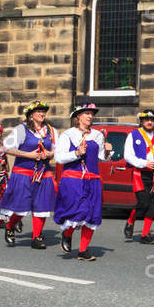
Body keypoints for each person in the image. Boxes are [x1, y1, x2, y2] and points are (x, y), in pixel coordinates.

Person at [1, 101, 57, 249]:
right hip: (24, 173)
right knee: (21, 207)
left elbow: (55, 150)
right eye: (38, 111)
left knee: (42, 206)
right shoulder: (22, 129)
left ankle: (36, 237)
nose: (42, 114)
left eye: (43, 111)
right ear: (31, 115)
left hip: (43, 173)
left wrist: (49, 154)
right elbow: (6, 148)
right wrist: (29, 155)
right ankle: (10, 225)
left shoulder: (50, 130)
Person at [54, 102, 105, 261]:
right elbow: (59, 158)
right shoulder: (67, 135)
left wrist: (108, 152)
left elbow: (100, 157)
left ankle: (83, 250)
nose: (90, 116)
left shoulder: (98, 135)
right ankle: (67, 233)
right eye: (86, 113)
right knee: (79, 211)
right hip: (74, 180)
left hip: (93, 179)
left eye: (91, 114)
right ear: (78, 116)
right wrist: (76, 153)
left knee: (92, 214)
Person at [123, 109, 154, 245]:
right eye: (147, 120)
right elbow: (128, 156)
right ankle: (130, 221)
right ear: (141, 121)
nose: (149, 122)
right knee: (143, 203)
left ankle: (145, 234)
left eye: (152, 120)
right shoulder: (133, 135)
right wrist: (144, 163)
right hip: (140, 173)